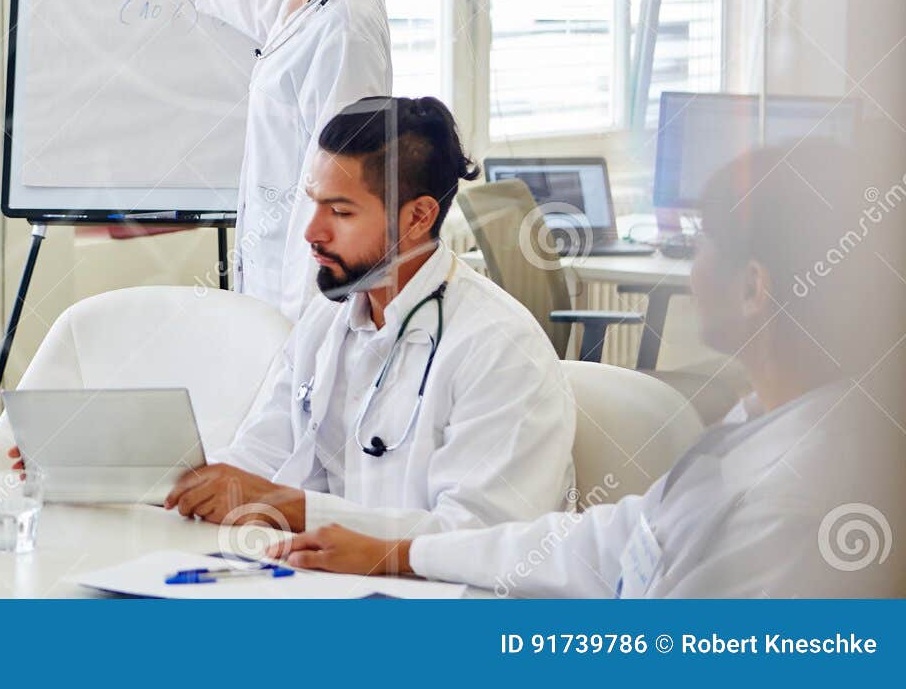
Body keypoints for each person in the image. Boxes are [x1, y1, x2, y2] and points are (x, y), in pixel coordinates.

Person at [268, 140, 906, 597]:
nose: (691, 265)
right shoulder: (767, 421)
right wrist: (401, 553)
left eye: (702, 242)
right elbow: (609, 541)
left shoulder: (797, 507)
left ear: (751, 288)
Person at [162, 95, 576, 537]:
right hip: (321, 577)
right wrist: (184, 485)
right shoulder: (326, 322)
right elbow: (261, 455)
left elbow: (477, 538)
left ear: (418, 217)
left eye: (340, 212)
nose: (311, 232)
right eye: (313, 203)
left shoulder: (500, 349)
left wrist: (290, 507)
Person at [166, 0, 391, 320]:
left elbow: (342, 182)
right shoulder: (309, 3)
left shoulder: (347, 26)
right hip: (276, 278)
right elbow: (262, 10)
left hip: (308, 294)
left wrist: (305, 316)